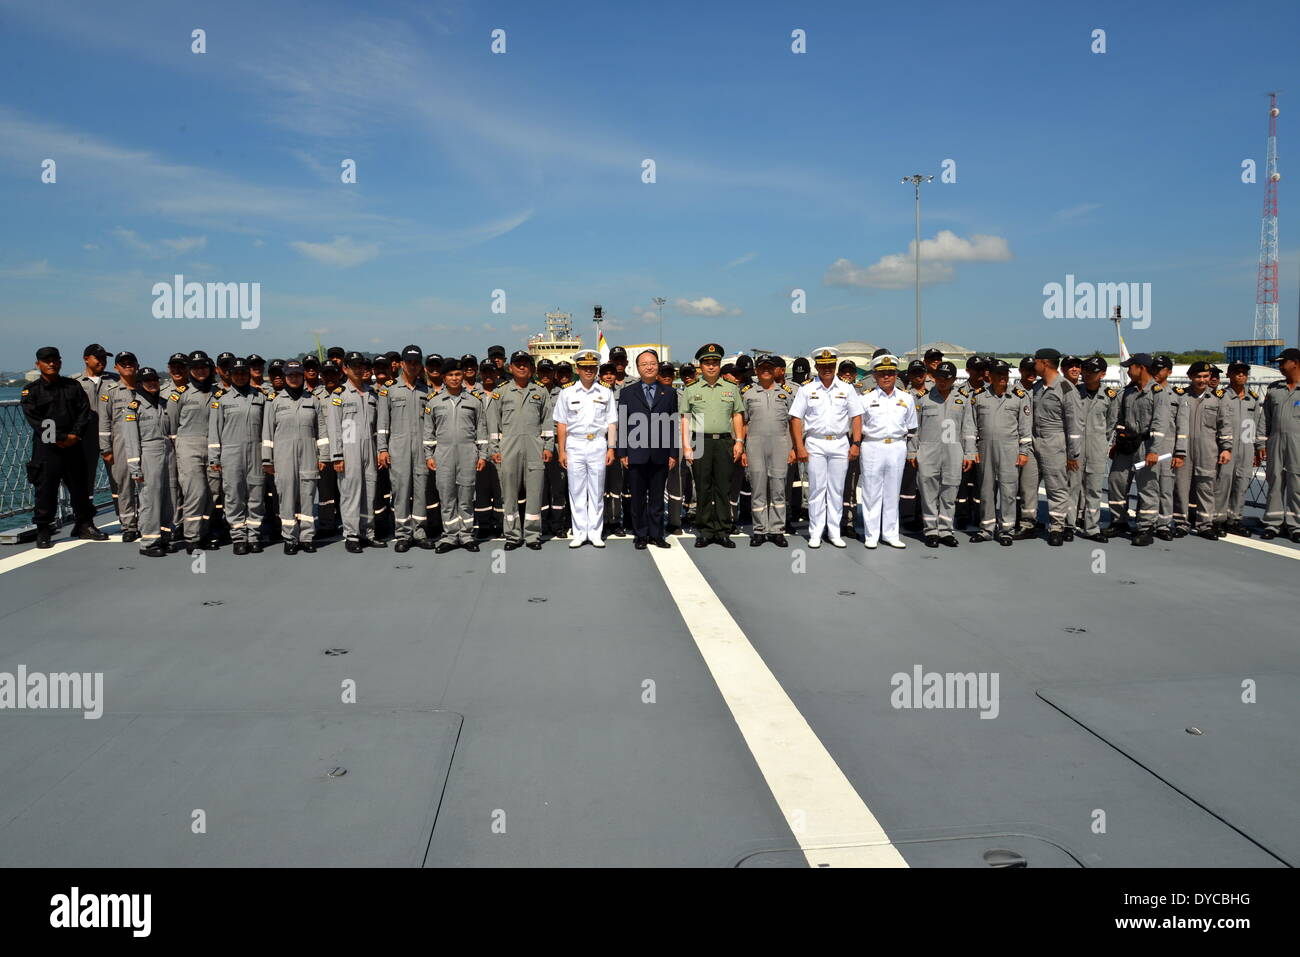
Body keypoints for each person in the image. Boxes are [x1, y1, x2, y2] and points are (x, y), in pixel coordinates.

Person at [21, 346, 108, 548]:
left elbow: (84, 412)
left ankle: (85, 524)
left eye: (55, 360)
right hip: (47, 448)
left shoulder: (72, 386)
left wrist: (74, 435)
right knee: (46, 490)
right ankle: (44, 530)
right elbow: (35, 418)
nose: (52, 363)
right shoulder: (32, 391)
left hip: (73, 444)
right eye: (47, 360)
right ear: (38, 364)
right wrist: (59, 437)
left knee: (80, 488)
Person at [789, 347, 863, 548]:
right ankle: (815, 532)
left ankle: (834, 532)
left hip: (840, 442)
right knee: (816, 490)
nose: (827, 369)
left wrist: (855, 443)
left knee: (837, 490)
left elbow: (856, 417)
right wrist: (799, 447)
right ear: (816, 366)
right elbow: (796, 418)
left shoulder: (846, 389)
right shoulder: (806, 389)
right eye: (823, 366)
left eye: (831, 365)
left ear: (836, 366)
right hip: (815, 442)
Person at [489, 350, 554, 550]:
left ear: (532, 368)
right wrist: (494, 448)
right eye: (518, 363)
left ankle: (533, 534)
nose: (522, 366)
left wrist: (548, 446)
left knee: (535, 492)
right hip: (508, 448)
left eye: (526, 363)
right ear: (511, 368)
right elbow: (493, 424)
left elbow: (548, 421)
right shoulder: (500, 392)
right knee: (508, 494)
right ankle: (512, 535)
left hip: (535, 447)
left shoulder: (540, 391)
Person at [263, 359, 328, 554]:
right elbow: (267, 433)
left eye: (298, 375)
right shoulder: (274, 401)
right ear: (284, 377)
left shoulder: (313, 400)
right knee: (287, 497)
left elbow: (322, 431)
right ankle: (290, 538)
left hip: (308, 455)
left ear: (302, 377)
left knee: (308, 496)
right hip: (283, 458)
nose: (294, 378)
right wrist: (267, 459)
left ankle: (307, 537)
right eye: (290, 375)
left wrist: (323, 456)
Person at [680, 343, 741, 548]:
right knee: (703, 487)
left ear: (720, 365)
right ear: (701, 366)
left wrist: (739, 441)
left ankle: (723, 530)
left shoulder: (731, 389)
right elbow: (685, 419)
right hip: (700, 442)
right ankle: (705, 531)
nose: (712, 367)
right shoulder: (691, 389)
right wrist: (687, 446)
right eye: (707, 363)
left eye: (715, 363)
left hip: (724, 442)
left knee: (723, 487)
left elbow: (737, 415)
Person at [554, 350, 618, 548]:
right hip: (575, 444)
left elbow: (612, 423)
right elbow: (562, 424)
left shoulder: (605, 392)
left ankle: (595, 532)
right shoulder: (567, 392)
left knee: (597, 490)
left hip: (598, 443)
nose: (589, 371)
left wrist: (611, 448)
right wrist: (562, 451)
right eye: (584, 367)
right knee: (577, 490)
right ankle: (580, 532)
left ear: (596, 369)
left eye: (592, 367)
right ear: (577, 369)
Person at [909, 361, 975, 547]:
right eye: (938, 378)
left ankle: (945, 530)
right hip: (928, 451)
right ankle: (931, 531)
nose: (942, 382)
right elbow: (915, 429)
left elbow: (968, 428)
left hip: (953, 451)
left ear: (953, 379)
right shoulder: (924, 399)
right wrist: (912, 452)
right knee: (928, 492)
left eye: (946, 379)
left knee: (950, 491)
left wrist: (970, 453)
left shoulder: (962, 400)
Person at [426, 357, 488, 552]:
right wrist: (429, 455)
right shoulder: (434, 402)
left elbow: (481, 429)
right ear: (444, 377)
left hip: (468, 453)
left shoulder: (474, 401)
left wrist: (483, 455)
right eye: (451, 375)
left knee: (467, 494)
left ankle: (467, 535)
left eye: (458, 374)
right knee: (447, 494)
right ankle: (451, 536)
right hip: (443, 454)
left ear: (463, 376)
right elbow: (429, 432)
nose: (454, 378)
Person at [619, 349, 678, 549]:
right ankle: (641, 535)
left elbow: (673, 425)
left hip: (661, 454)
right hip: (636, 452)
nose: (649, 367)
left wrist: (673, 453)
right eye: (644, 364)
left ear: (658, 365)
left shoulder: (669, 392)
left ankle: (657, 534)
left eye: (652, 363)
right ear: (637, 368)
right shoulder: (627, 392)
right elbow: (623, 423)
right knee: (637, 498)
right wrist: (623, 452)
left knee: (657, 498)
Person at [208, 357, 267, 554]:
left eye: (244, 373)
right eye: (237, 373)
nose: (240, 376)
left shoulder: (260, 397)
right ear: (230, 375)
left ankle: (254, 535)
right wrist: (214, 457)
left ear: (248, 374)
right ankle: (239, 537)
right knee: (234, 496)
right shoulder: (220, 399)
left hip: (256, 452)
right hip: (231, 453)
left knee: (256, 495)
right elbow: (214, 431)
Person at [968, 359, 1031, 545]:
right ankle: (987, 528)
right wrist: (972, 449)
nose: (1003, 377)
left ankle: (1006, 529)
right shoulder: (978, 396)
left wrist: (1024, 451)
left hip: (1010, 448)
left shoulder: (1019, 397)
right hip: (985, 448)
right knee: (986, 488)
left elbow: (1025, 428)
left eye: (1005, 374)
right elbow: (971, 426)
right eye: (999, 374)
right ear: (991, 376)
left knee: (1008, 489)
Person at [378, 345, 434, 553]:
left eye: (416, 362)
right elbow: (383, 423)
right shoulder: (389, 390)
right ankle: (402, 534)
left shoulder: (425, 390)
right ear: (401, 364)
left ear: (420, 365)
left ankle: (419, 532)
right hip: (398, 448)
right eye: (409, 362)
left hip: (421, 448)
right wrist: (382, 449)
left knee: (420, 491)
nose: (412, 365)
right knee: (401, 491)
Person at [857, 354, 916, 549]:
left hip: (897, 446)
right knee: (871, 492)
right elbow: (859, 425)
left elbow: (911, 427)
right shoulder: (866, 398)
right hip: (873, 445)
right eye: (882, 373)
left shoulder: (906, 398)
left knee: (892, 491)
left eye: (890, 373)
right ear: (874, 375)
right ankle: (871, 534)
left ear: (896, 374)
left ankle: (890, 533)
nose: (886, 377)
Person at [328, 351, 384, 553]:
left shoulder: (372, 393)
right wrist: (337, 455)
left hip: (370, 447)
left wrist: (380, 451)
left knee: (369, 490)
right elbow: (333, 427)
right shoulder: (339, 394)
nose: (359, 369)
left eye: (362, 366)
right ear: (345, 369)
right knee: (351, 492)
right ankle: (351, 535)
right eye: (355, 366)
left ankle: (367, 533)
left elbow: (378, 425)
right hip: (349, 447)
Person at [167, 350, 223, 552]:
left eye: (203, 367)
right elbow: (171, 426)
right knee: (196, 492)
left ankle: (204, 533)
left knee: (213, 494)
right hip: (189, 446)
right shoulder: (179, 394)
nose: (200, 371)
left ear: (209, 369)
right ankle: (191, 537)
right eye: (196, 368)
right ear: (190, 370)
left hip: (214, 446)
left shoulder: (219, 393)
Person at [1172, 360, 1231, 539]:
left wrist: (1226, 448)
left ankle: (1205, 524)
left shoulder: (1218, 398)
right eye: (1198, 376)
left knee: (1206, 487)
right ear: (1190, 377)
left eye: (1206, 376)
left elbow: (1225, 425)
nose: (1202, 380)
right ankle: (1181, 523)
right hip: (1183, 449)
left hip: (1208, 450)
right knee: (1181, 487)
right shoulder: (1181, 396)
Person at [1030, 348, 1083, 546]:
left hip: (1055, 443)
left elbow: (1075, 425)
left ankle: (1057, 527)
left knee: (1056, 488)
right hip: (1035, 441)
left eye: (1036, 362)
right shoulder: (1037, 388)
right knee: (1028, 486)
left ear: (1044, 363)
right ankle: (1028, 523)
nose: (1034, 365)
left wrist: (1073, 454)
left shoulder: (1066, 389)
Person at [740, 355, 795, 547]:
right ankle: (759, 530)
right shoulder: (748, 394)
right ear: (756, 371)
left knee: (779, 488)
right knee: (757, 487)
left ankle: (777, 529)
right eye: (761, 367)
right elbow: (742, 424)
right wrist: (743, 449)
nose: (765, 370)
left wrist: (793, 448)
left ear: (774, 370)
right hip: (755, 444)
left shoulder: (786, 393)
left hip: (780, 444)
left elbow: (793, 423)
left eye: (769, 368)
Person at [123, 367, 173, 556]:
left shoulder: (164, 404)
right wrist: (135, 467)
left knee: (168, 498)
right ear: (139, 384)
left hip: (167, 452)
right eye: (147, 381)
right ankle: (149, 542)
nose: (152, 383)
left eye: (154, 380)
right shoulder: (133, 408)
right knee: (149, 500)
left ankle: (165, 535)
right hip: (147, 454)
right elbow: (131, 440)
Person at [1215, 361, 1264, 536]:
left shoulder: (1253, 398)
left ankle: (1234, 519)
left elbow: (1258, 424)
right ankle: (1218, 520)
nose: (1241, 375)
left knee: (1241, 484)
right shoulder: (1220, 396)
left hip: (1246, 446)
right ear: (1228, 375)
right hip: (1226, 447)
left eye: (1244, 372)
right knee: (1223, 483)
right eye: (1236, 372)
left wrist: (1259, 447)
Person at [1074, 357, 1119, 542]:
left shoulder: (1110, 395)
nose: (1086, 374)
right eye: (1085, 370)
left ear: (1102, 374)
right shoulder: (1075, 392)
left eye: (1091, 371)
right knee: (1073, 487)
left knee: (1093, 490)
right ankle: (1070, 524)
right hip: (1075, 447)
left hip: (1097, 447)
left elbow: (1111, 423)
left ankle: (1091, 528)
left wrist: (1102, 442)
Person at [1257, 347, 1300, 541]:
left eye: (1283, 363)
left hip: (1297, 444)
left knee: (1296, 483)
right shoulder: (1274, 389)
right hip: (1276, 442)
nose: (1280, 367)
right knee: (1274, 481)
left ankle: (1295, 525)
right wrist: (1260, 444)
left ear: (1295, 363)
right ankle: (1272, 524)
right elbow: (1264, 419)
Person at [100, 351, 141, 542]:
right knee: (124, 486)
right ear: (116, 367)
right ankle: (129, 526)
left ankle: (147, 521)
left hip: (145, 443)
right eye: (122, 363)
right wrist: (106, 449)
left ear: (137, 365)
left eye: (130, 362)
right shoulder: (110, 391)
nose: (127, 365)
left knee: (147, 485)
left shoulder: (146, 387)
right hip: (121, 445)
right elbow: (105, 422)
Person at [74, 343, 118, 520]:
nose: (102, 361)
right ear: (86, 359)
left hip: (112, 437)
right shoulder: (75, 382)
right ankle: (85, 520)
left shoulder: (116, 380)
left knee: (119, 480)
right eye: (98, 358)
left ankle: (126, 519)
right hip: (86, 438)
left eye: (104, 358)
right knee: (85, 482)